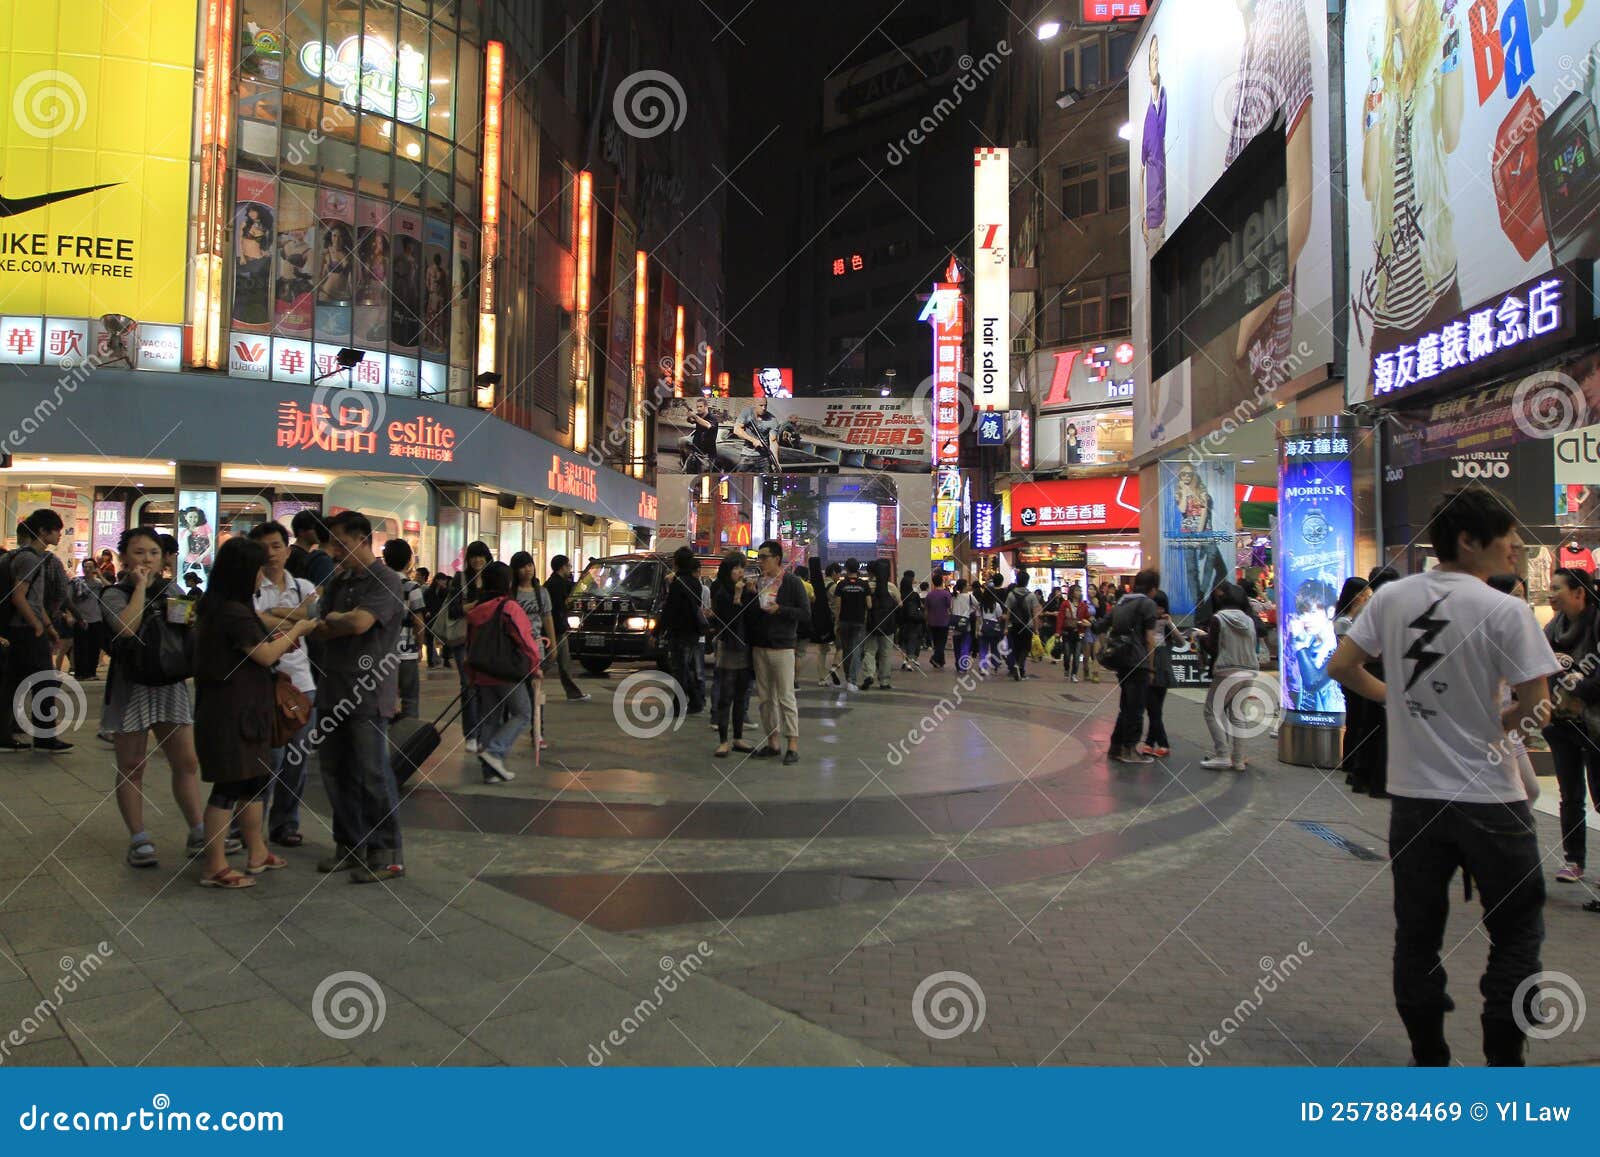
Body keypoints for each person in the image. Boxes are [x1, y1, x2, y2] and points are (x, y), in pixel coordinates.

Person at [1329, 486, 1557, 1067]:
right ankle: (1504, 1064)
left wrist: (1399, 705)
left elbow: (1342, 667)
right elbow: (1536, 707)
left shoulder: (1392, 598)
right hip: (1493, 801)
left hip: (1415, 804)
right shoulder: (1507, 611)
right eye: (1507, 535)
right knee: (1517, 936)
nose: (1515, 546)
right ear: (1468, 540)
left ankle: (1429, 1058)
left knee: (1417, 936)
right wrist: (1494, 728)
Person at [192, 536, 317, 889]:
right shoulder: (232, 612)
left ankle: (257, 851)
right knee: (229, 786)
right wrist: (298, 628)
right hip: (231, 712)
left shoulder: (223, 607)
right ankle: (214, 866)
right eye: (257, 569)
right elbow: (264, 655)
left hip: (243, 708)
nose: (261, 577)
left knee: (252, 781)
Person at [103, 528, 210, 868]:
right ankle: (138, 838)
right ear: (124, 557)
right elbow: (126, 628)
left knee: (187, 761)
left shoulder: (171, 590)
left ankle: (198, 830)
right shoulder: (113, 593)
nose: (146, 559)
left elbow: (187, 628)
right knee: (132, 765)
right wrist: (138, 588)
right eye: (138, 553)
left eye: (152, 552)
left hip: (169, 684)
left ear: (163, 557)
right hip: (130, 686)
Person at [312, 511, 407, 883]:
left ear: (364, 539)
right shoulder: (339, 581)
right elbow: (321, 629)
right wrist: (337, 621)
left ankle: (387, 852)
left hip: (368, 692)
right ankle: (350, 845)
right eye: (332, 543)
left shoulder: (384, 580)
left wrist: (336, 621)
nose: (335, 551)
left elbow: (360, 623)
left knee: (372, 773)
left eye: (341, 543)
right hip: (332, 688)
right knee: (336, 771)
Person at [249, 521, 319, 846]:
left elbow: (314, 619)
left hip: (302, 683)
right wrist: (294, 617)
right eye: (264, 547)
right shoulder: (249, 588)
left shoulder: (304, 586)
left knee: (297, 760)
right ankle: (250, 828)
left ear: (288, 550)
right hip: (263, 683)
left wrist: (272, 614)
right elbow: (254, 622)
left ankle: (285, 824)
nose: (271, 553)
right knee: (268, 760)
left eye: (277, 546)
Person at [1538, 567, 1600, 886]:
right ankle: (1574, 860)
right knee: (1570, 794)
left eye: (1556, 588)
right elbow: (1542, 667)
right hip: (1561, 723)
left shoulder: (1597, 622)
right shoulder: (1553, 628)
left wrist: (1580, 689)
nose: (1550, 594)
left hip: (1595, 724)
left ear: (1579, 593)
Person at [464, 561, 541, 784]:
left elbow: (470, 644)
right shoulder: (509, 608)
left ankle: (490, 772)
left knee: (489, 719)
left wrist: (471, 675)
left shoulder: (476, 610)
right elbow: (525, 640)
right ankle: (495, 752)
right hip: (506, 672)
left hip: (482, 672)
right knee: (523, 713)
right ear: (507, 582)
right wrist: (535, 667)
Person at [2, 510, 72, 751]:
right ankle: (45, 737)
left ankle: (4, 735)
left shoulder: (22, 557)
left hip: (20, 630)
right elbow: (19, 597)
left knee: (11, 682)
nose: (59, 535)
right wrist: (37, 626)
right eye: (56, 530)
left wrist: (49, 626)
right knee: (45, 682)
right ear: (43, 531)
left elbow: (34, 599)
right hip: (26, 631)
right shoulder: (30, 559)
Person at [748, 540, 809, 764]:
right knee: (765, 699)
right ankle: (773, 742)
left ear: (776, 558)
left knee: (785, 696)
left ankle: (792, 744)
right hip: (760, 646)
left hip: (783, 646)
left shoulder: (792, 582)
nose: (760, 561)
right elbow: (751, 615)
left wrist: (780, 609)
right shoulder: (757, 583)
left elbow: (805, 613)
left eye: (764, 557)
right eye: (759, 558)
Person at [1199, 582, 1261, 771]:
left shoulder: (1219, 618)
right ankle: (1238, 759)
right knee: (1238, 713)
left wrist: (1202, 637)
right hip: (1249, 669)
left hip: (1227, 669)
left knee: (1211, 711)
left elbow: (1213, 647)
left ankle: (1222, 754)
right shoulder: (1249, 620)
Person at [1106, 569, 1162, 764]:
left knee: (1126, 706)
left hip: (1122, 660)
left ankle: (1115, 746)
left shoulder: (1122, 601)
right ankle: (1130, 750)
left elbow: (1104, 623)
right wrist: (1152, 667)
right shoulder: (1147, 604)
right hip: (1139, 662)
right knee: (1136, 708)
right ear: (1153, 588)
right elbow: (1149, 639)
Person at [446, 540, 493, 748]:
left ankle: (484, 732)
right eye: (473, 556)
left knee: (485, 685)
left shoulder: (494, 579)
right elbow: (452, 610)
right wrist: (474, 606)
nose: (477, 559)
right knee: (468, 685)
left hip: (486, 638)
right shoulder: (460, 578)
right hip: (463, 638)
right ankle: (471, 734)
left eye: (480, 555)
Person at [710, 552, 756, 757]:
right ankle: (723, 740)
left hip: (746, 647)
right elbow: (727, 620)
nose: (740, 572)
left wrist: (752, 594)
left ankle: (738, 738)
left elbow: (754, 616)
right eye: (736, 568)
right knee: (726, 696)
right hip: (729, 648)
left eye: (742, 568)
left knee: (741, 696)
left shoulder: (746, 590)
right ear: (727, 571)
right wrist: (737, 596)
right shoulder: (721, 592)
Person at [510, 551, 555, 750]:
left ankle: (538, 732)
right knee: (511, 691)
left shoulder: (541, 592)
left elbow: (547, 619)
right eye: (523, 566)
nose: (528, 569)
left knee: (536, 692)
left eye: (530, 564)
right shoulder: (510, 592)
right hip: (514, 648)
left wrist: (552, 643)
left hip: (536, 647)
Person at [381, 539, 426, 721]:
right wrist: (419, 646)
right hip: (406, 654)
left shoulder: (379, 585)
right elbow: (419, 622)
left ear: (385, 559)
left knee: (385, 701)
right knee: (410, 699)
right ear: (409, 561)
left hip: (383, 653)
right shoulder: (411, 587)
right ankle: (407, 742)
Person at [663, 547, 707, 716]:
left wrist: (657, 631)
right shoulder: (696, 583)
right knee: (685, 668)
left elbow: (670, 609)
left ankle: (680, 704)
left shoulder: (677, 583)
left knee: (679, 669)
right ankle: (694, 700)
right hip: (693, 632)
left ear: (676, 561)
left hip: (679, 631)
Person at [1141, 591, 1183, 758]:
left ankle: (1159, 744)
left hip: (1163, 669)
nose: (1158, 610)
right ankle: (1153, 743)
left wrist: (1170, 624)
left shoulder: (1166, 624)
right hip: (1149, 667)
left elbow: (1181, 642)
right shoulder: (1146, 623)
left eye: (1161, 607)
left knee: (1155, 710)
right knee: (1153, 709)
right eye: (1156, 606)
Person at [544, 555, 590, 702]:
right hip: (556, 629)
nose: (570, 569)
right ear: (562, 567)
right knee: (555, 661)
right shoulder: (557, 584)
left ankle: (573, 692)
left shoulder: (554, 582)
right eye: (569, 566)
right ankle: (528, 681)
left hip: (556, 628)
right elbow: (557, 609)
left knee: (560, 661)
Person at [830, 559, 870, 692]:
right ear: (858, 568)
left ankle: (848, 679)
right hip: (859, 621)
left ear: (846, 569)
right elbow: (869, 604)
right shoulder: (864, 584)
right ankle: (852, 681)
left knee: (846, 650)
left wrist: (836, 622)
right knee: (857, 650)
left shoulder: (841, 584)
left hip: (844, 621)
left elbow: (837, 606)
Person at [861, 561, 899, 690]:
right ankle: (884, 681)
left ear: (871, 572)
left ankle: (869, 675)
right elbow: (900, 604)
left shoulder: (866, 586)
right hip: (888, 625)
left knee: (869, 651)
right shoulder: (891, 587)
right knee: (886, 653)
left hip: (870, 623)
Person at [69, 558, 107, 680]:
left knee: (94, 648)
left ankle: (91, 672)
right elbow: (68, 600)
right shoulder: (77, 582)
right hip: (80, 619)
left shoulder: (98, 584)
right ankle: (80, 673)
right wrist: (70, 616)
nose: (87, 569)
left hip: (96, 619)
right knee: (80, 647)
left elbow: (110, 589)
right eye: (85, 566)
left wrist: (100, 575)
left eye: (90, 567)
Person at [1002, 570, 1041, 681]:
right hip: (1027, 626)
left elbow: (1008, 613)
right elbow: (1035, 614)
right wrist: (1036, 628)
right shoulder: (1031, 596)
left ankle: (1020, 671)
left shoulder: (1011, 595)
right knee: (1026, 648)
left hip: (1014, 625)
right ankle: (1018, 665)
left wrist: (1005, 627)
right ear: (1027, 582)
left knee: (1016, 648)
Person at [287, 509, 336, 585]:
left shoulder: (304, 554)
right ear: (301, 532)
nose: (319, 531)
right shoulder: (296, 555)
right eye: (315, 528)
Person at [677, 397, 725, 473]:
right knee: (685, 472)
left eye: (700, 406)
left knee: (703, 476)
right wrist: (689, 416)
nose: (698, 409)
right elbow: (691, 421)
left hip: (707, 455)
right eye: (697, 407)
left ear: (706, 407)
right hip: (695, 452)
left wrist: (695, 417)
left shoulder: (713, 418)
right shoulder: (698, 415)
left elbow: (707, 425)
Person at [732, 396, 780, 472]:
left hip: (764, 458)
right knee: (740, 478)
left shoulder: (772, 420)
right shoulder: (747, 413)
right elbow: (737, 430)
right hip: (747, 455)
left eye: (765, 405)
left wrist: (776, 462)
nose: (764, 408)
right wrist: (753, 440)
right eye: (761, 405)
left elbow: (773, 442)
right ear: (755, 404)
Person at [811, 561, 840, 686]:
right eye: (838, 574)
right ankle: (834, 667)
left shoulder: (818, 585)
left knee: (821, 651)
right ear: (833, 573)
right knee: (841, 647)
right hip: (832, 620)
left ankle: (822, 678)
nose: (839, 576)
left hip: (820, 620)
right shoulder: (834, 587)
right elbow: (839, 604)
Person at [1057, 584, 1091, 681]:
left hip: (1079, 631)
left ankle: (1074, 674)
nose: (1079, 593)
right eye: (1077, 590)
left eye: (1080, 591)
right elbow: (1060, 618)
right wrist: (1058, 632)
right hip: (1067, 632)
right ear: (1072, 592)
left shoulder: (1083, 605)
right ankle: (1067, 669)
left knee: (1077, 655)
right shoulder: (1065, 604)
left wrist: (1085, 622)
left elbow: (1087, 617)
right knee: (1067, 654)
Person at [975, 578, 1005, 673]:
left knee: (983, 648)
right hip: (994, 629)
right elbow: (1000, 618)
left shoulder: (981, 605)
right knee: (994, 647)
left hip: (983, 628)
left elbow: (978, 618)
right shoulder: (997, 605)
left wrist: (977, 630)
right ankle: (995, 664)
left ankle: (983, 667)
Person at [897, 570, 924, 673]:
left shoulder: (899, 594)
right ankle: (909, 663)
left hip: (903, 621)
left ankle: (904, 661)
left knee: (903, 641)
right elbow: (920, 607)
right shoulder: (914, 595)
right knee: (912, 641)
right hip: (914, 621)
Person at [925, 571, 952, 669]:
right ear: (942, 582)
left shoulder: (930, 595)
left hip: (932, 622)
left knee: (936, 642)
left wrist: (927, 620)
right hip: (943, 621)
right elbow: (949, 608)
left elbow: (926, 609)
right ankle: (935, 658)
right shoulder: (946, 594)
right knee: (942, 642)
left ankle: (940, 662)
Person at [950, 578, 976, 672]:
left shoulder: (954, 596)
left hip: (955, 623)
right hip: (965, 624)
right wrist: (970, 611)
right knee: (965, 646)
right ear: (965, 586)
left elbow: (951, 609)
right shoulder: (969, 596)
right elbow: (977, 606)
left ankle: (958, 664)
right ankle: (963, 666)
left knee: (956, 646)